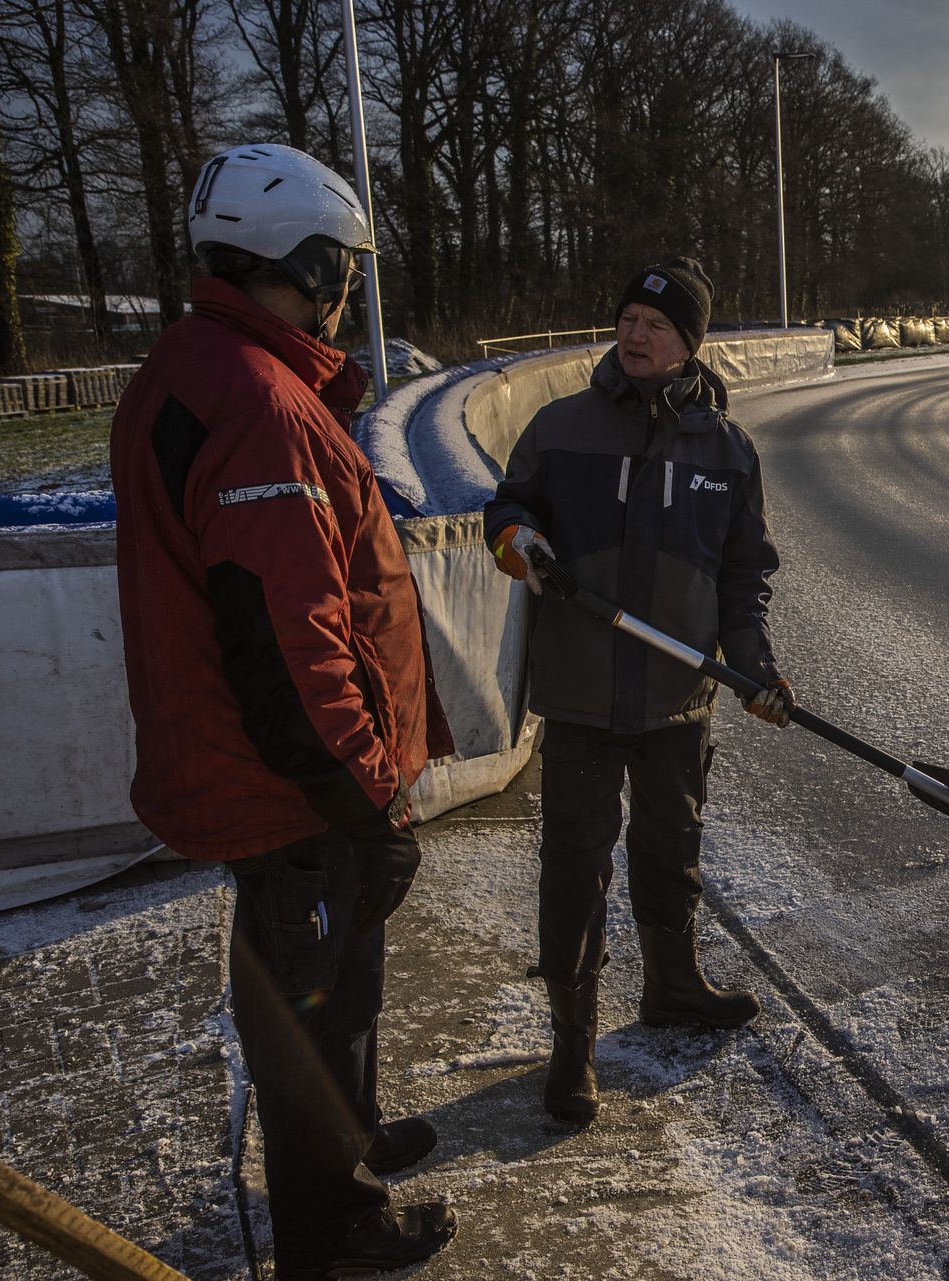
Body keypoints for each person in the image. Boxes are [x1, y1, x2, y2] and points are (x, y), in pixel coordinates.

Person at [110, 143, 458, 1280]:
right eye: (340, 267)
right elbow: (285, 645)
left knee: (330, 992)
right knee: (313, 1005)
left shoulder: (197, 363)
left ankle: (343, 1147)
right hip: (293, 790)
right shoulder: (261, 404)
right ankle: (336, 1228)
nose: (347, 290)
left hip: (270, 779)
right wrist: (369, 803)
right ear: (300, 261)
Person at [484, 256, 791, 1127]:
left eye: (656, 325)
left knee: (672, 848)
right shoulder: (561, 428)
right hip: (582, 694)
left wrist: (756, 665)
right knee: (574, 870)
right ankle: (571, 1041)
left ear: (689, 343)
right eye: (627, 319)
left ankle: (674, 985)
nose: (635, 334)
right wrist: (518, 540)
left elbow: (744, 574)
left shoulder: (726, 450)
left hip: (678, 696)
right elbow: (504, 513)